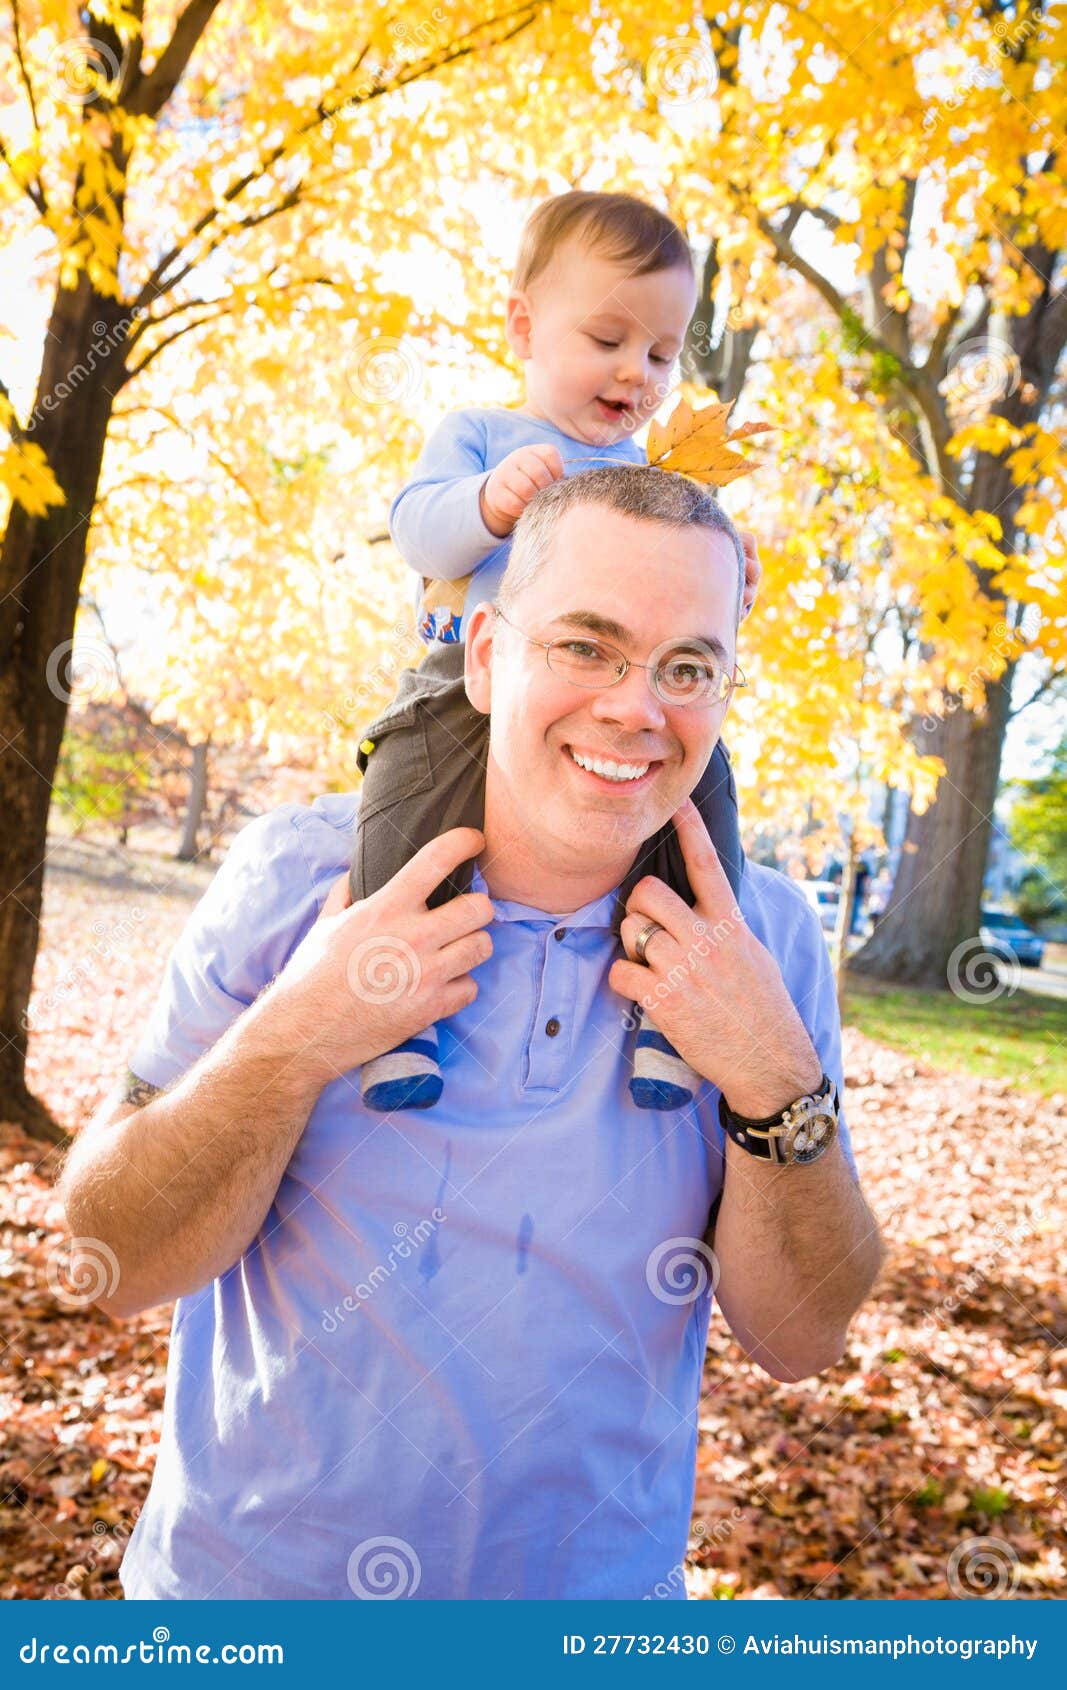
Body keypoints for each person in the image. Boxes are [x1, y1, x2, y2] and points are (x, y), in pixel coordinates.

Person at [60, 466, 884, 1602]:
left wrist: (772, 1075)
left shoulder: (766, 943)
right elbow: (111, 1257)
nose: (634, 708)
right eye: (585, 646)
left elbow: (800, 1336)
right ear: (489, 655)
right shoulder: (300, 877)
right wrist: (298, 1034)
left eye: (686, 667)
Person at [350, 189, 761, 1117]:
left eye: (661, 352)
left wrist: (729, 573)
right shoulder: (485, 435)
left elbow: (683, 594)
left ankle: (673, 1002)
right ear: (525, 327)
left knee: (708, 806)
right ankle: (390, 1008)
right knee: (403, 791)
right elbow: (419, 533)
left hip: (609, 694)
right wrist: (489, 502)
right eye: (608, 341)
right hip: (464, 675)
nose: (637, 371)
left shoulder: (656, 472)